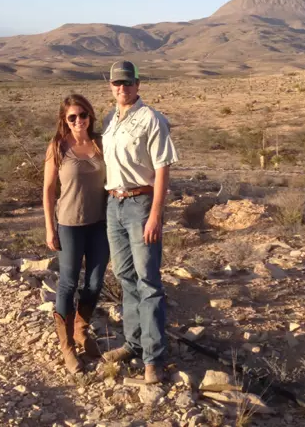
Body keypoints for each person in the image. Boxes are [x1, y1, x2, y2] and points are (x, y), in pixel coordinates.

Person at [101, 60, 178, 384]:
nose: (123, 88)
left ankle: (153, 358)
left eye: (128, 83)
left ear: (138, 84)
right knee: (125, 276)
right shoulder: (109, 120)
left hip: (141, 204)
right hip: (113, 204)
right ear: (111, 86)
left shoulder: (152, 119)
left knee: (148, 282)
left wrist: (156, 214)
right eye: (118, 83)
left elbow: (162, 169)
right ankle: (132, 343)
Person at [43, 94, 109, 374]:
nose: (79, 121)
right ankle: (67, 345)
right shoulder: (58, 147)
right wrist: (49, 227)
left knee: (94, 282)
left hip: (100, 223)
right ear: (64, 120)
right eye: (72, 117)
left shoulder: (101, 143)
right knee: (68, 283)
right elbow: (48, 190)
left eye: (83, 115)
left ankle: (82, 330)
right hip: (69, 224)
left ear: (90, 116)